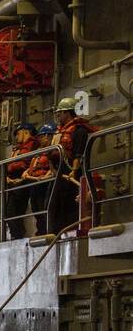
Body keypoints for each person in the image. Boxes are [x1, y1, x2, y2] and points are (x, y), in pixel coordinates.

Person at [48, 97, 100, 235]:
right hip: (59, 171)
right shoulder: (60, 131)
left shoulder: (79, 131)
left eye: (60, 113)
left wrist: (73, 171)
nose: (58, 116)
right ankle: (54, 231)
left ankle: (67, 230)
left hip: (70, 170)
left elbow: (78, 153)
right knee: (52, 202)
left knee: (67, 203)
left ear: (68, 113)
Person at [3, 123, 40, 240]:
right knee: (10, 212)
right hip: (13, 182)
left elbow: (32, 162)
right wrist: (7, 177)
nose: (17, 137)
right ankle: (17, 234)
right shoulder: (18, 149)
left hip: (23, 181)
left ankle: (18, 235)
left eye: (18, 133)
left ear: (26, 132)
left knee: (13, 212)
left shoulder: (33, 145)